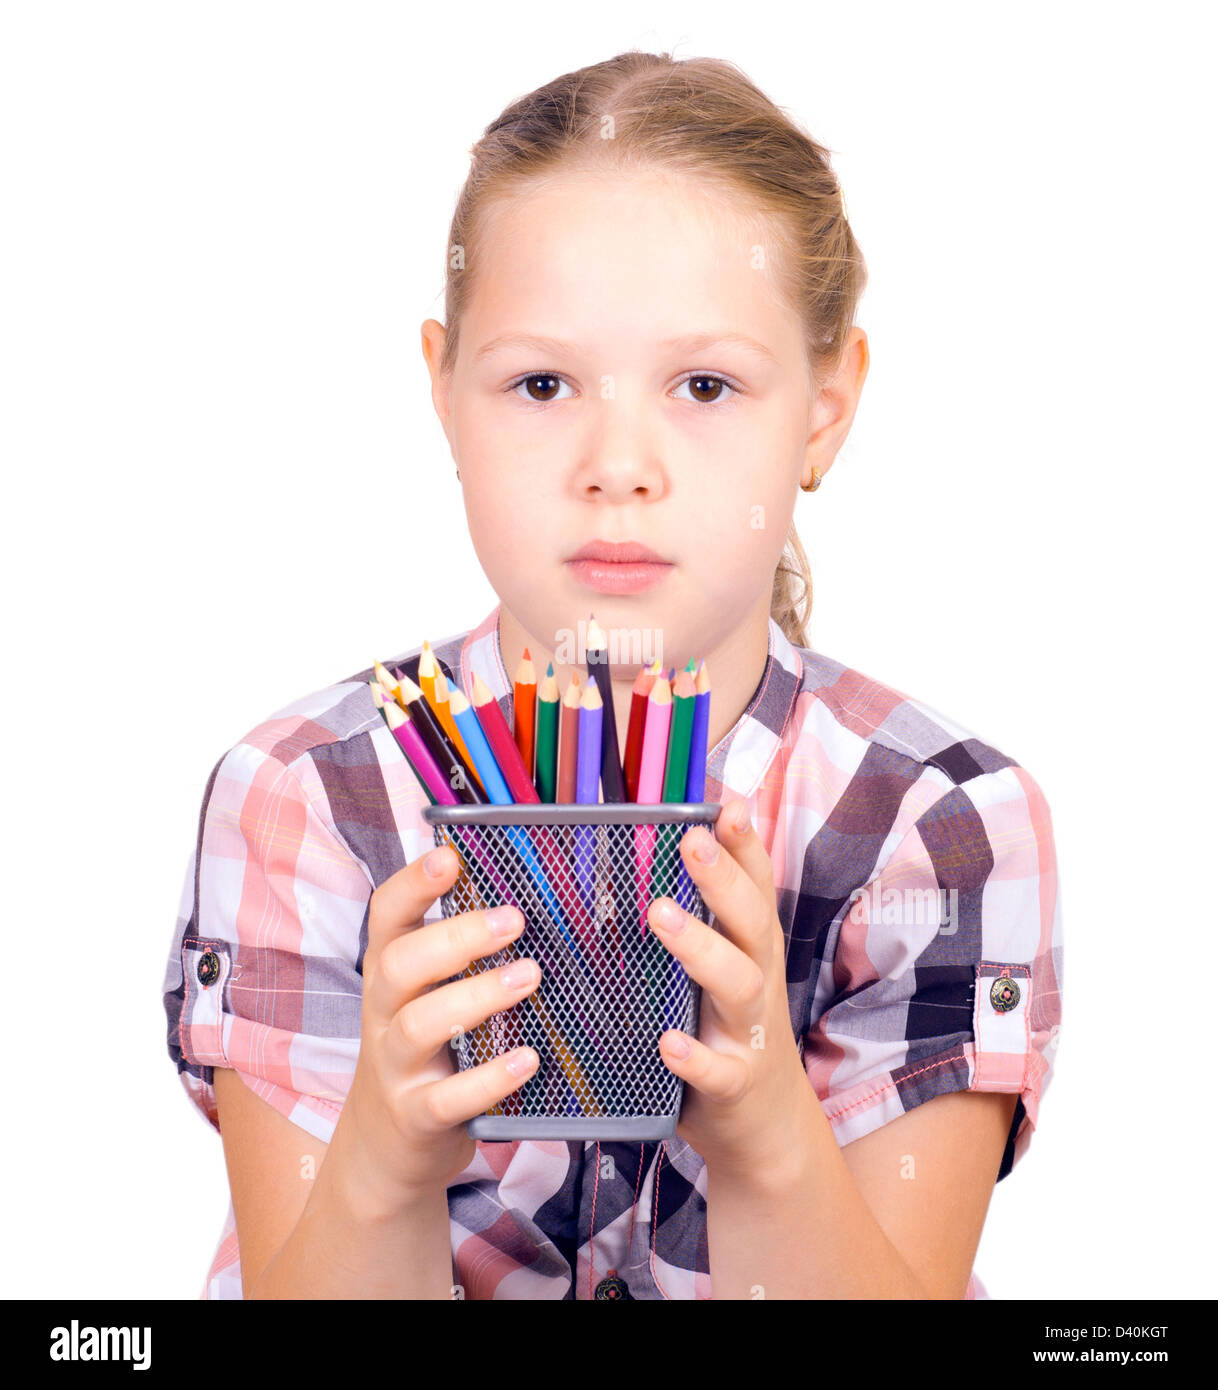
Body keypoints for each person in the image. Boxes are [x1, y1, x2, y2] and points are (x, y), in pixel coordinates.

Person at [162, 49, 1062, 1300]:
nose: (618, 463)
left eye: (705, 384)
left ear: (825, 405)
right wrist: (378, 1158)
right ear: (443, 390)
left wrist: (764, 1132)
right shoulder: (312, 795)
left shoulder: (937, 822)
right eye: (541, 382)